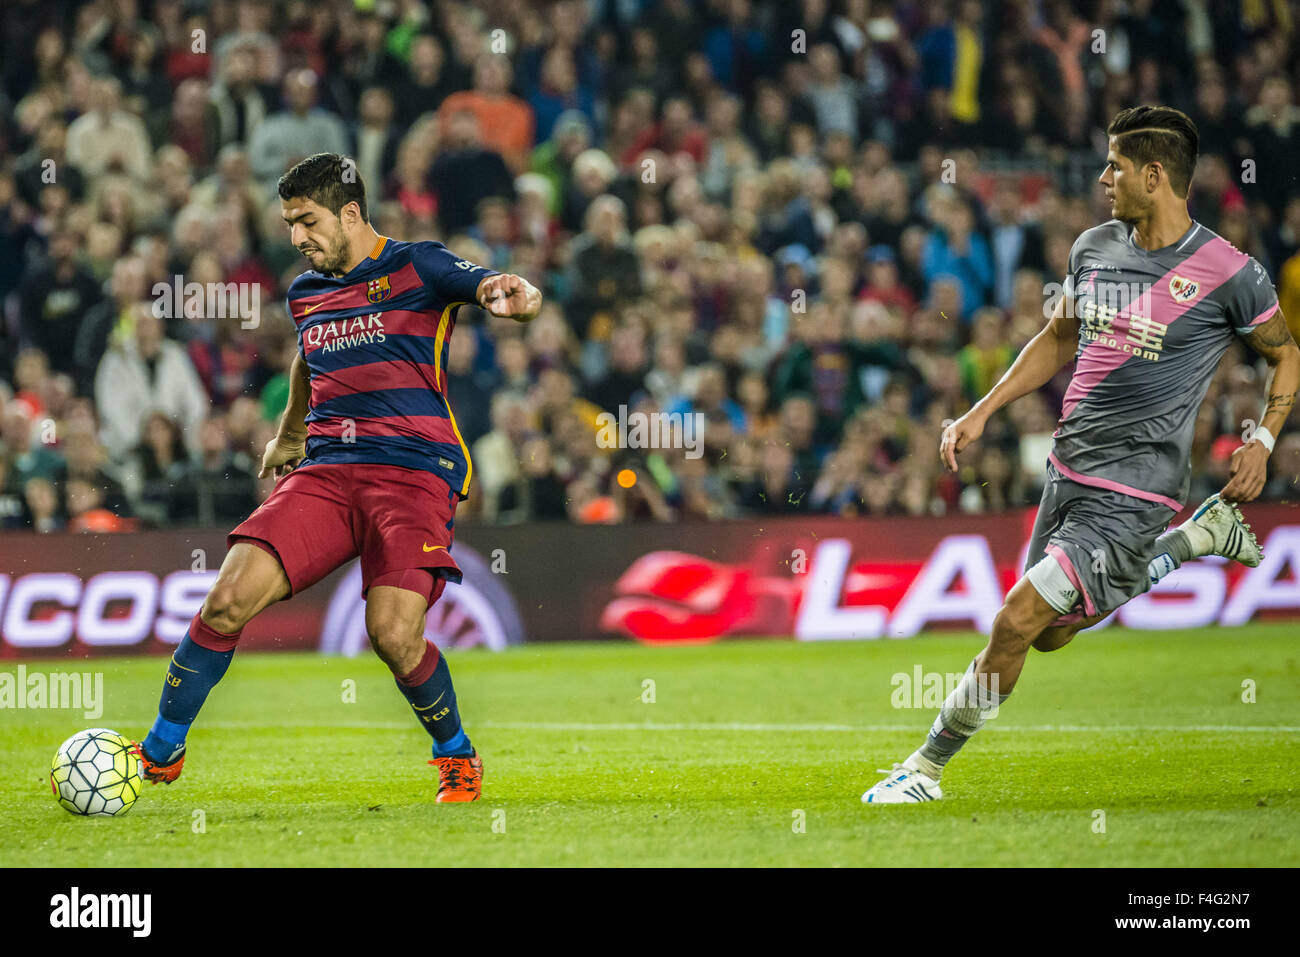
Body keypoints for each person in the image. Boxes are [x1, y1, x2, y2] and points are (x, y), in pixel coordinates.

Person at [864, 106, 1300, 803]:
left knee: (1014, 619)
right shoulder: (1095, 246)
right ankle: (1194, 540)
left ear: (1155, 175)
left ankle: (924, 768)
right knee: (1051, 637)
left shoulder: (1230, 271)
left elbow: (1286, 356)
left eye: (1116, 166)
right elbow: (1059, 339)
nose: (1104, 178)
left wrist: (1265, 438)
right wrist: (981, 411)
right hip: (1067, 471)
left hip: (1137, 490)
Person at [136, 153, 541, 803]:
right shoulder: (305, 293)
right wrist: (290, 432)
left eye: (307, 221)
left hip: (413, 473)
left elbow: (495, 285)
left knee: (393, 632)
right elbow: (307, 356)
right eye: (290, 224)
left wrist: (511, 294)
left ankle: (455, 754)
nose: (297, 238)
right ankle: (157, 753)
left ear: (350, 213)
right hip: (327, 471)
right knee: (225, 599)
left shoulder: (419, 264)